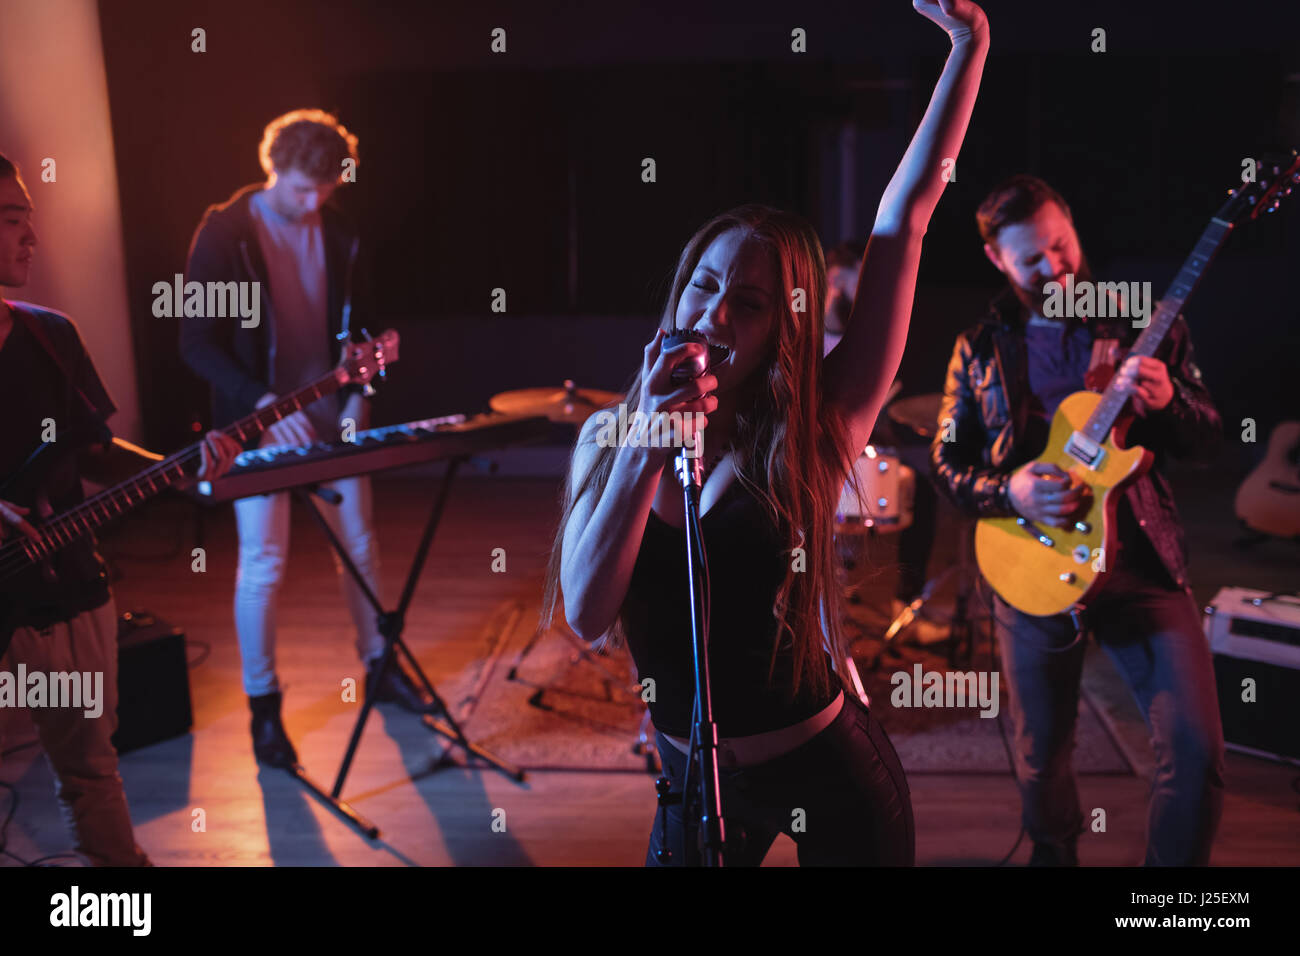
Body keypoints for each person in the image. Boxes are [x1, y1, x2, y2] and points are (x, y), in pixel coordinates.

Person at [542, 0, 989, 865]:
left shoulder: (820, 428)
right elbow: (591, 614)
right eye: (702, 286)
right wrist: (646, 442)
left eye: (748, 303)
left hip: (828, 770)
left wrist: (969, 46)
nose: (714, 314)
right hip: (691, 780)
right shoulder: (608, 435)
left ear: (782, 326)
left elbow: (906, 219)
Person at [930, 173, 1226, 865]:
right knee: (1041, 756)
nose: (1053, 267)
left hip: (1140, 565)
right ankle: (1053, 856)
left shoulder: (1141, 323)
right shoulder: (979, 347)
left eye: (1060, 246)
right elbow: (948, 463)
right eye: (1030, 258)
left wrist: (1167, 403)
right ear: (997, 261)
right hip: (1027, 562)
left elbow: (1208, 437)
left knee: (1196, 749)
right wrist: (1012, 493)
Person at [0, 152, 240, 865]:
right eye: (13, 220)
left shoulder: (51, 335)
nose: (31, 238)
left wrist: (178, 471)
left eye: (30, 221)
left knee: (90, 774)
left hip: (65, 587)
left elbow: (94, 451)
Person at [180, 109, 434, 770]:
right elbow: (195, 343)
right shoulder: (225, 230)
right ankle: (264, 712)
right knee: (263, 564)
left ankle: (381, 669)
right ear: (272, 171)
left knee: (361, 546)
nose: (312, 202)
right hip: (255, 425)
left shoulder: (343, 229)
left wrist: (359, 394)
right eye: (300, 190)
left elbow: (366, 329)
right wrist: (262, 406)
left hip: (332, 419)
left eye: (323, 191)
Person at [825, 238, 947, 645]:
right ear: (837, 277)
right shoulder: (800, 337)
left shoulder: (868, 339)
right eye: (862, 276)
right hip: (816, 462)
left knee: (924, 491)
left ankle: (905, 607)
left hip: (862, 461)